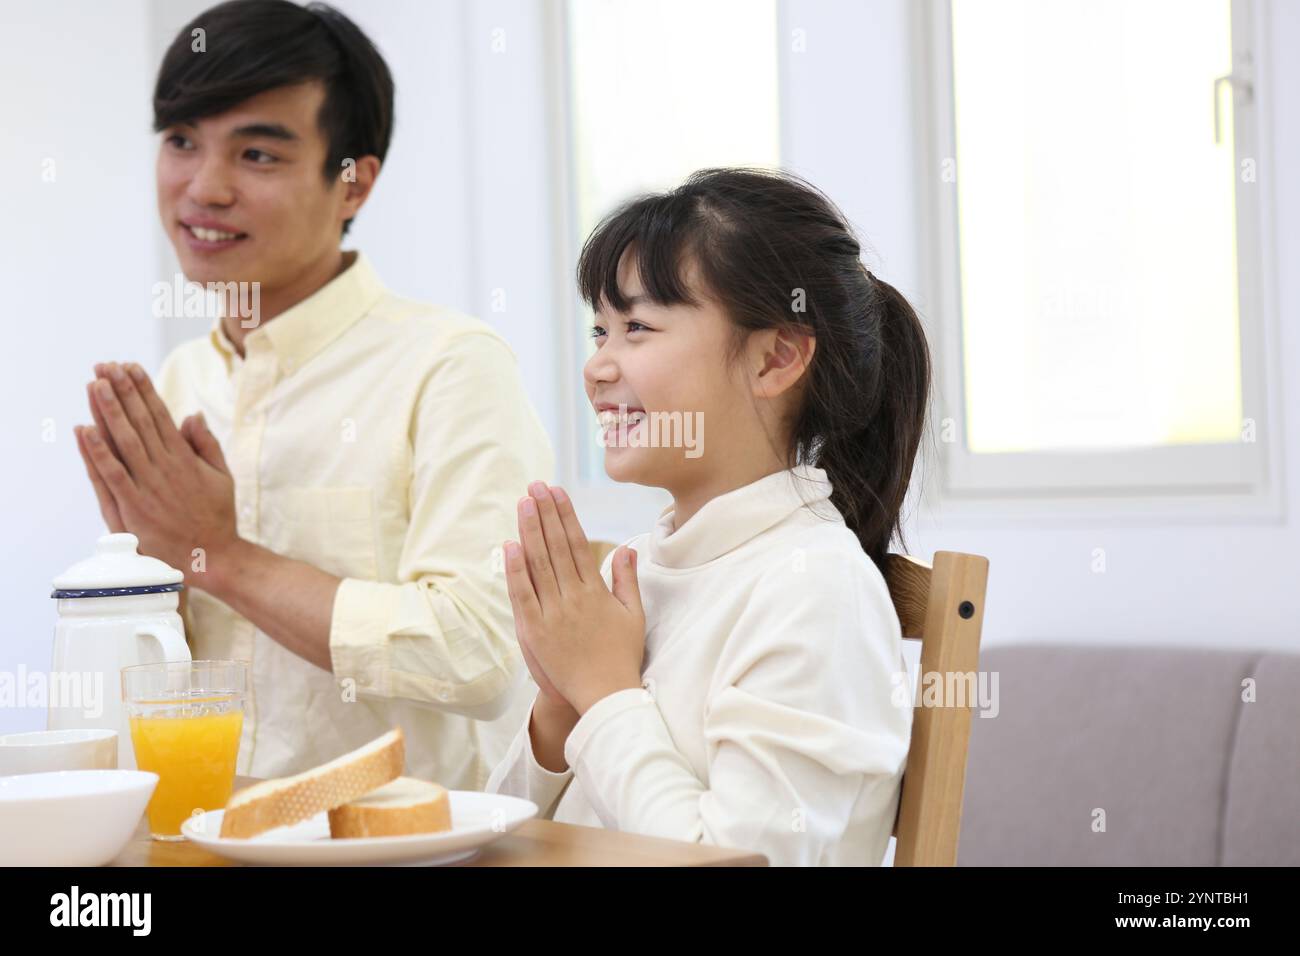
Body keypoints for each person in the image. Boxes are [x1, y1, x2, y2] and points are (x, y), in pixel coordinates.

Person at [73, 0, 552, 788]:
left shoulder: (451, 366)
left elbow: (481, 657)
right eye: (181, 141)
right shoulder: (181, 385)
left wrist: (223, 556)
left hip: (406, 848)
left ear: (353, 183)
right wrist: (147, 585)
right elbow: (166, 670)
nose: (205, 187)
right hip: (211, 834)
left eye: (257, 154)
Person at [486, 168, 931, 865]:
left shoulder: (816, 589)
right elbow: (496, 842)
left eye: (637, 327)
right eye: (599, 330)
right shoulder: (632, 570)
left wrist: (603, 692)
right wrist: (561, 702)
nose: (597, 367)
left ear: (776, 358)